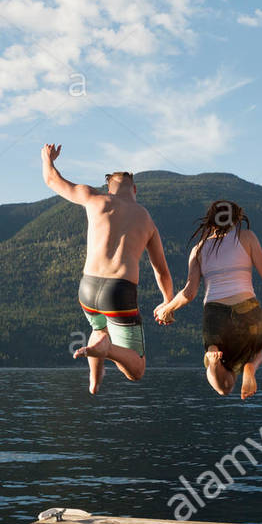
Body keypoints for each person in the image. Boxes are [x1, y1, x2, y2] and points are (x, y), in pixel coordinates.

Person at [41, 144, 174, 394]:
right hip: (120, 292)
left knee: (98, 328)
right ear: (134, 190)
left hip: (88, 289)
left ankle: (94, 380)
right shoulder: (146, 219)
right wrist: (167, 302)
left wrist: (47, 158)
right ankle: (108, 350)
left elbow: (51, 179)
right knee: (137, 370)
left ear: (108, 188)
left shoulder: (94, 198)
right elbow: (162, 271)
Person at [153, 200, 262, 399]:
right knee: (260, 344)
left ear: (210, 220)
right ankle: (251, 366)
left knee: (224, 387)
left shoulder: (199, 249)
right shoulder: (247, 237)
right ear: (237, 218)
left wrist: (167, 308)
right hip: (248, 309)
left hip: (215, 316)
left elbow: (189, 292)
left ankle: (213, 358)